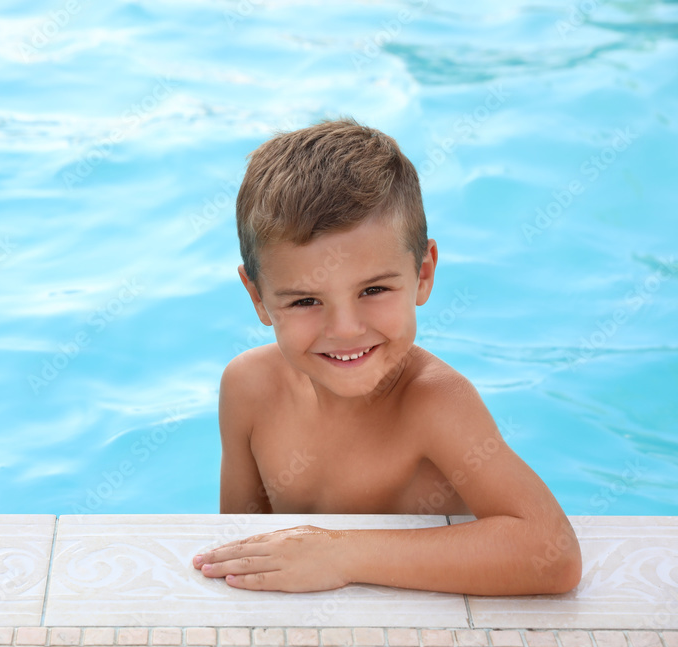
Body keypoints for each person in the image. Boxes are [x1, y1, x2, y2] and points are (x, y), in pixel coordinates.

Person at [191, 117, 582, 595]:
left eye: (373, 289)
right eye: (305, 301)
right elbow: (238, 547)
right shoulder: (248, 388)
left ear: (422, 274)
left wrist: (339, 554)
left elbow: (552, 552)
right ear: (257, 297)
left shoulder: (434, 403)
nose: (345, 329)